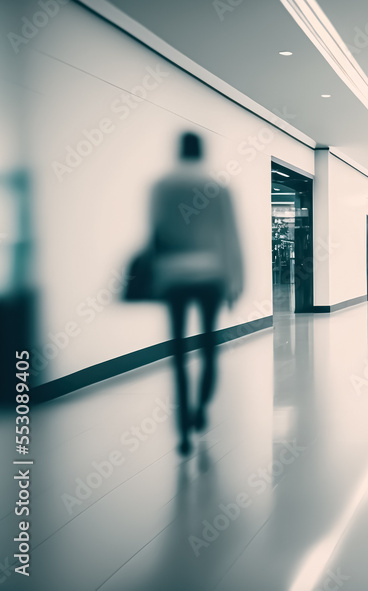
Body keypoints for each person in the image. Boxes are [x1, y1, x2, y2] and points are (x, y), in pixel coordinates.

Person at [150, 132, 243, 455]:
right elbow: (230, 236)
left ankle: (182, 431)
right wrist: (236, 280)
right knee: (207, 345)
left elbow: (156, 233)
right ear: (201, 153)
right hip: (210, 276)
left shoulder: (161, 186)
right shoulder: (217, 188)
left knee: (177, 351)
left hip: (174, 276)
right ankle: (201, 406)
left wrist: (156, 277)